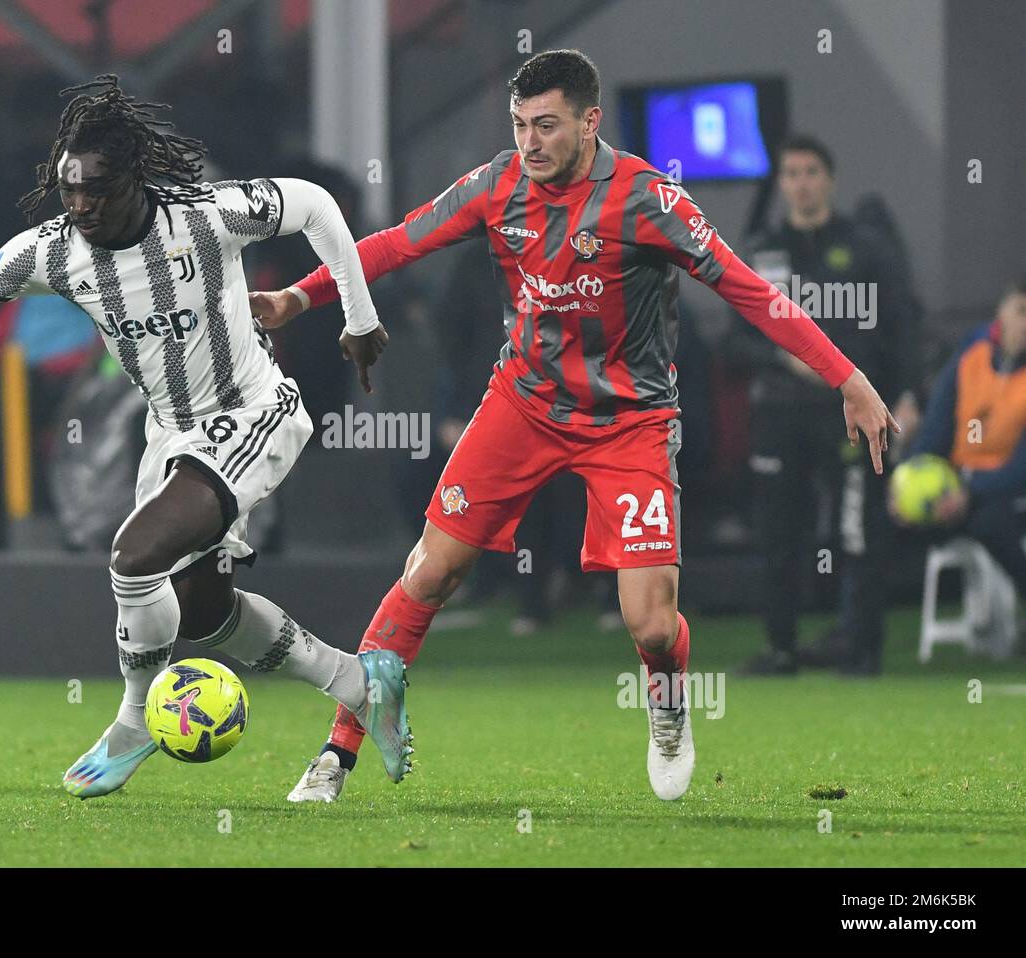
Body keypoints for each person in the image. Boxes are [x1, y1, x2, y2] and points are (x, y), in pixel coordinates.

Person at [251, 49, 896, 804]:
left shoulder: (650, 199)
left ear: (590, 122)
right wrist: (299, 295)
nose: (530, 142)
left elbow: (751, 292)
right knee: (430, 571)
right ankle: (337, 753)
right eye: (520, 124)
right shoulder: (498, 185)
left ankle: (666, 704)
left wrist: (846, 378)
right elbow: (397, 242)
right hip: (522, 406)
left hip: (631, 424)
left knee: (652, 627)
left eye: (546, 125)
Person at [0, 75, 412, 797]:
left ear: (134, 179)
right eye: (69, 191)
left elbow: (317, 206)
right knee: (205, 612)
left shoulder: (207, 215)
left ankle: (135, 722)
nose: (80, 207)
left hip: (252, 410)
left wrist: (357, 318)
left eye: (95, 191)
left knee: (135, 554)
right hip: (171, 434)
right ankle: (359, 681)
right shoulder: (54, 251)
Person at [733, 135, 922, 676]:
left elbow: (903, 327)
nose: (802, 182)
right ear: (783, 184)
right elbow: (735, 337)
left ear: (830, 180)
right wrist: (780, 358)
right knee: (778, 534)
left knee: (859, 532)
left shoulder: (868, 247)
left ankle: (862, 650)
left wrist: (908, 396)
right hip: (780, 413)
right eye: (791, 173)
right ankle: (781, 649)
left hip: (852, 416)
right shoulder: (763, 250)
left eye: (812, 171)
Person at [899, 277, 1026, 592]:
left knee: (992, 524)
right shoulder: (972, 353)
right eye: (1021, 311)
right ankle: (859, 634)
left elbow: (1022, 468)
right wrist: (906, 481)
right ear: (1002, 312)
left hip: (1005, 492)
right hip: (957, 488)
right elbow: (935, 430)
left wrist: (969, 493)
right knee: (884, 519)